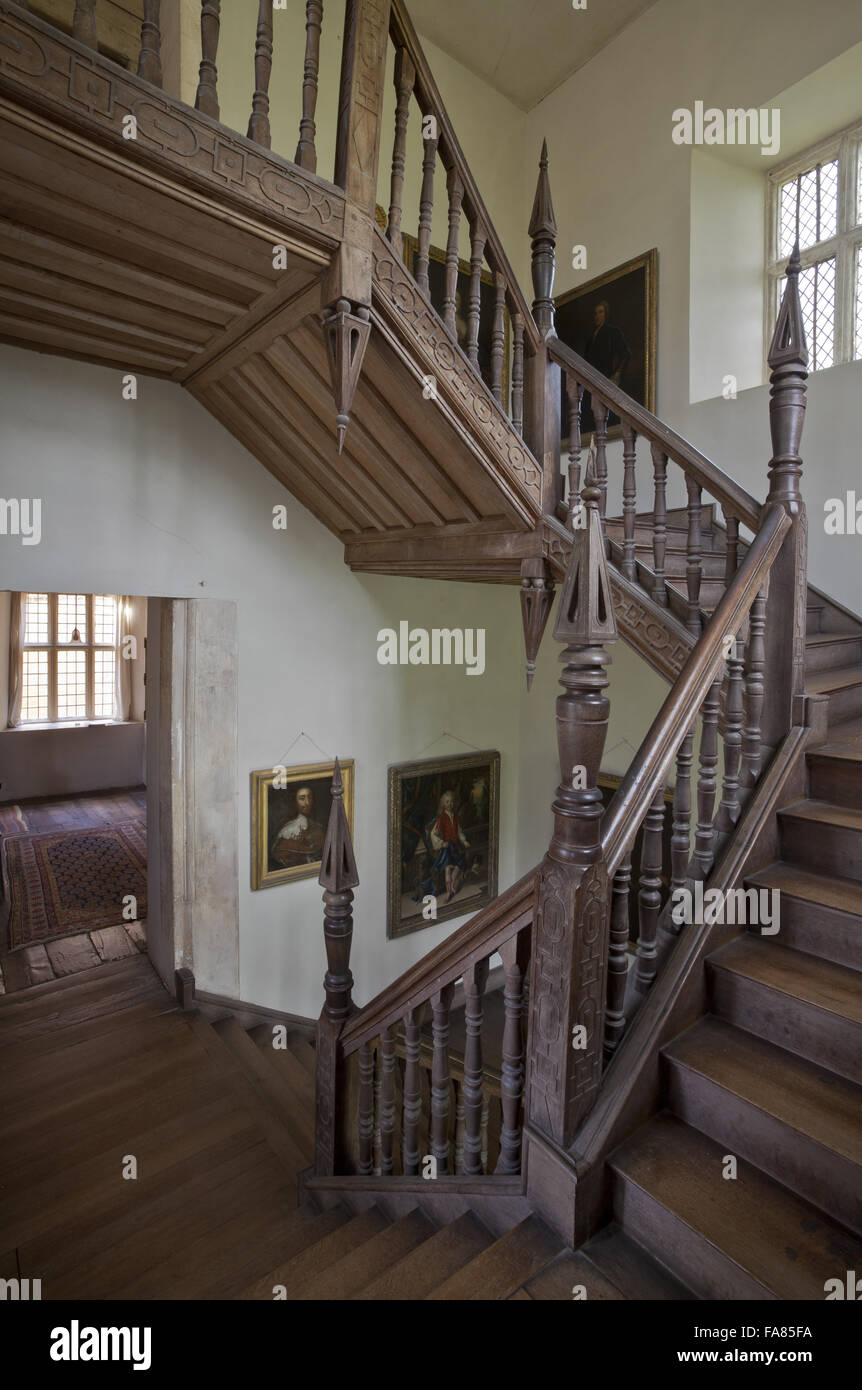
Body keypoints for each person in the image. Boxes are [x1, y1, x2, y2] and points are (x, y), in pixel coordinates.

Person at [582, 298, 631, 431]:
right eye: (596, 313)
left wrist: (617, 374)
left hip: (606, 379)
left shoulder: (613, 332)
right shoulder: (591, 337)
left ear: (606, 314)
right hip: (593, 382)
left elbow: (625, 354)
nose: (597, 316)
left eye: (601, 312)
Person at [270, 785, 325, 869]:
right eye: (302, 798)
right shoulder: (287, 831)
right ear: (294, 801)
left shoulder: (318, 827)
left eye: (309, 798)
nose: (307, 802)